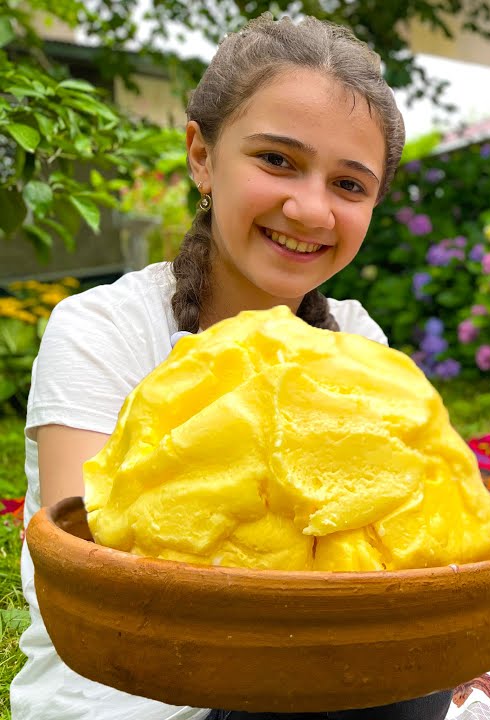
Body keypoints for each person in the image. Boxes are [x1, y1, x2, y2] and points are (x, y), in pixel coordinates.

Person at [13, 15, 451, 720]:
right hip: (134, 696)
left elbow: (414, 549)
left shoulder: (360, 341)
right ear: (202, 155)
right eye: (277, 160)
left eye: (348, 184)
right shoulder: (105, 331)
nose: (309, 208)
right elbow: (98, 586)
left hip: (318, 683)